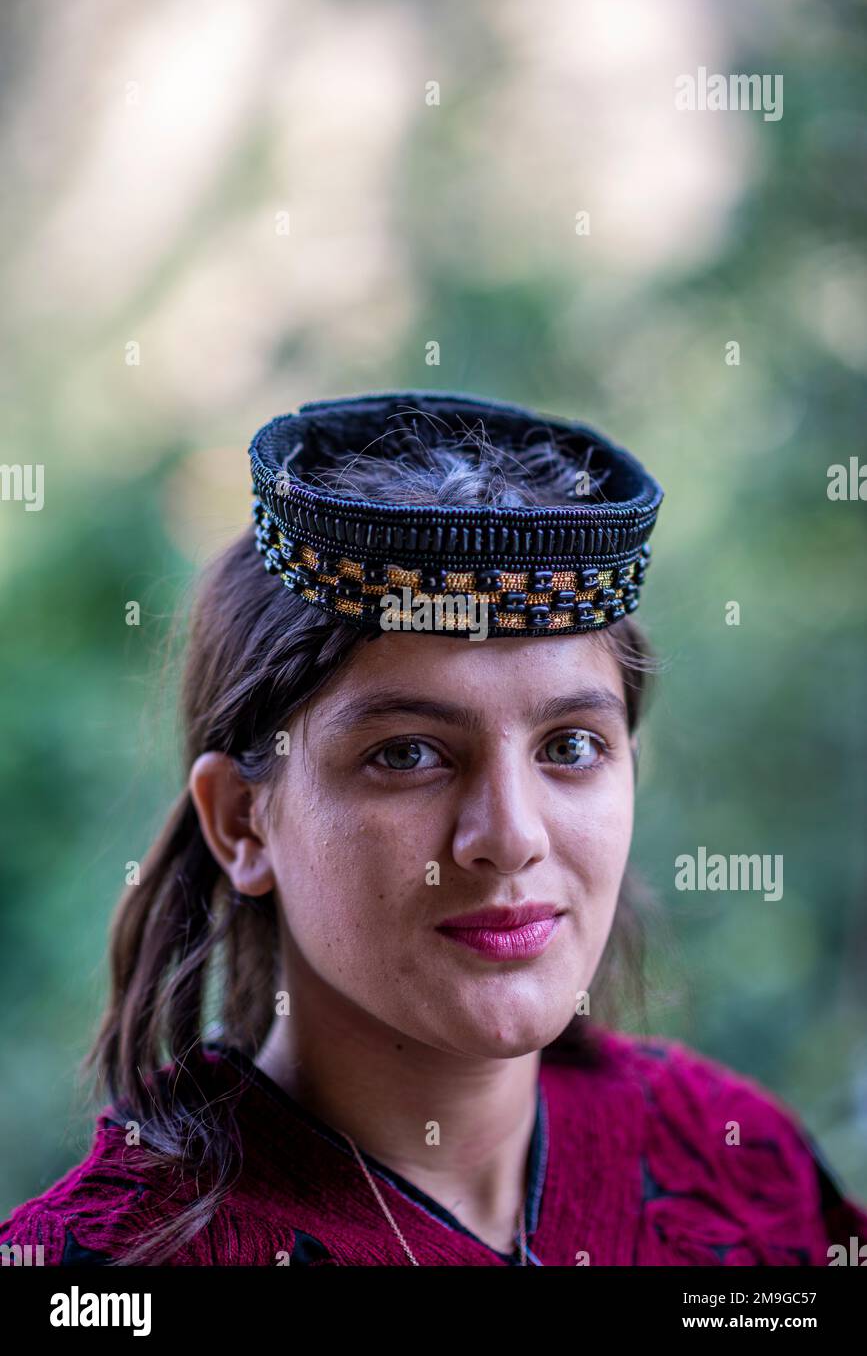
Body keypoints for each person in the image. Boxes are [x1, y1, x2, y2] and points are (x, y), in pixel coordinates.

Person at [2, 391, 865, 1268]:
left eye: (570, 746)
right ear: (241, 823)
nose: (510, 837)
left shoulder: (743, 1173)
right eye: (407, 754)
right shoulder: (105, 1269)